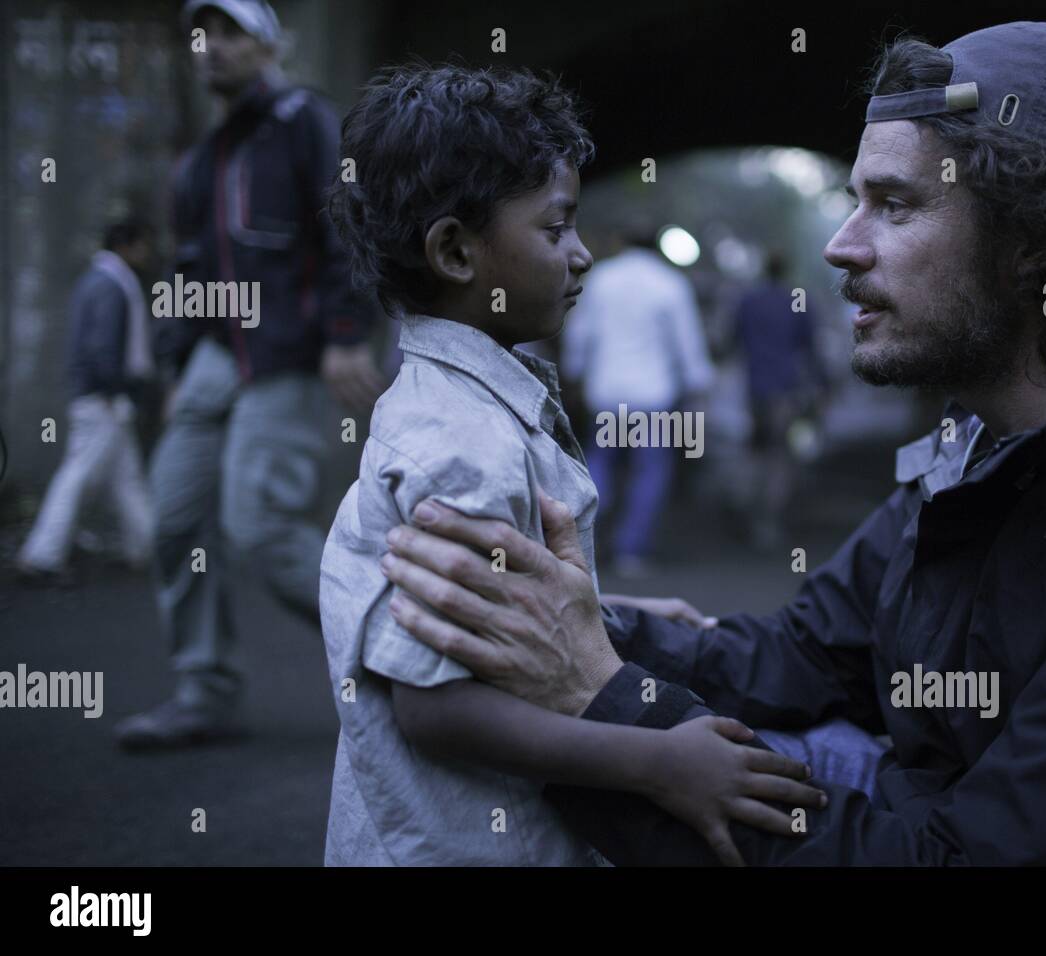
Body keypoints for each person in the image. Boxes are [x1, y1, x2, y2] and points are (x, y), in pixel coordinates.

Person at [377, 22, 1046, 865]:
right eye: (854, 201)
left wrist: (601, 705)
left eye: (894, 205)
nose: (840, 247)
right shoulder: (987, 433)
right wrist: (590, 624)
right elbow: (809, 657)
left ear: (1035, 236)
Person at [318, 63, 824, 865]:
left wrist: (606, 605)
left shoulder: (444, 402)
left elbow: (491, 597)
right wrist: (662, 762)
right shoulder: (464, 446)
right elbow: (435, 707)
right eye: (556, 230)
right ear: (455, 252)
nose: (582, 254)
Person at [115, 0, 385, 750]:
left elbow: (347, 222)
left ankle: (402, 669)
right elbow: (192, 268)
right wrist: (175, 364)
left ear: (267, 44)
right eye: (202, 34)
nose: (212, 48)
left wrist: (343, 332)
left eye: (231, 31)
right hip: (211, 359)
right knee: (174, 518)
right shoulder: (202, 157)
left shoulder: (303, 120)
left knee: (260, 525)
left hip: (288, 350)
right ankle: (205, 691)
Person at [561, 225, 714, 577]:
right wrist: (698, 384)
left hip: (608, 392)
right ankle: (631, 549)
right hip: (652, 396)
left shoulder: (602, 279)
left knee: (600, 466)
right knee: (650, 472)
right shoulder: (671, 283)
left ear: (622, 241)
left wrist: (574, 372)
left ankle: (584, 545)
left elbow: (580, 332)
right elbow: (687, 343)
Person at [16, 217, 157, 584]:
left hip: (100, 396)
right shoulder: (111, 285)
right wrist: (115, 391)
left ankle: (146, 547)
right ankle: (42, 556)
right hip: (103, 399)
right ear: (126, 245)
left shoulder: (97, 280)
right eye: (142, 244)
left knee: (126, 478)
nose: (147, 252)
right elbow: (102, 347)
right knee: (76, 477)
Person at [731, 250, 828, 549]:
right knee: (780, 455)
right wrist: (822, 383)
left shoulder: (749, 300)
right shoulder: (797, 299)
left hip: (754, 386)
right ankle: (769, 520)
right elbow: (811, 345)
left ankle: (747, 507)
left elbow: (733, 339)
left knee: (755, 449)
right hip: (785, 387)